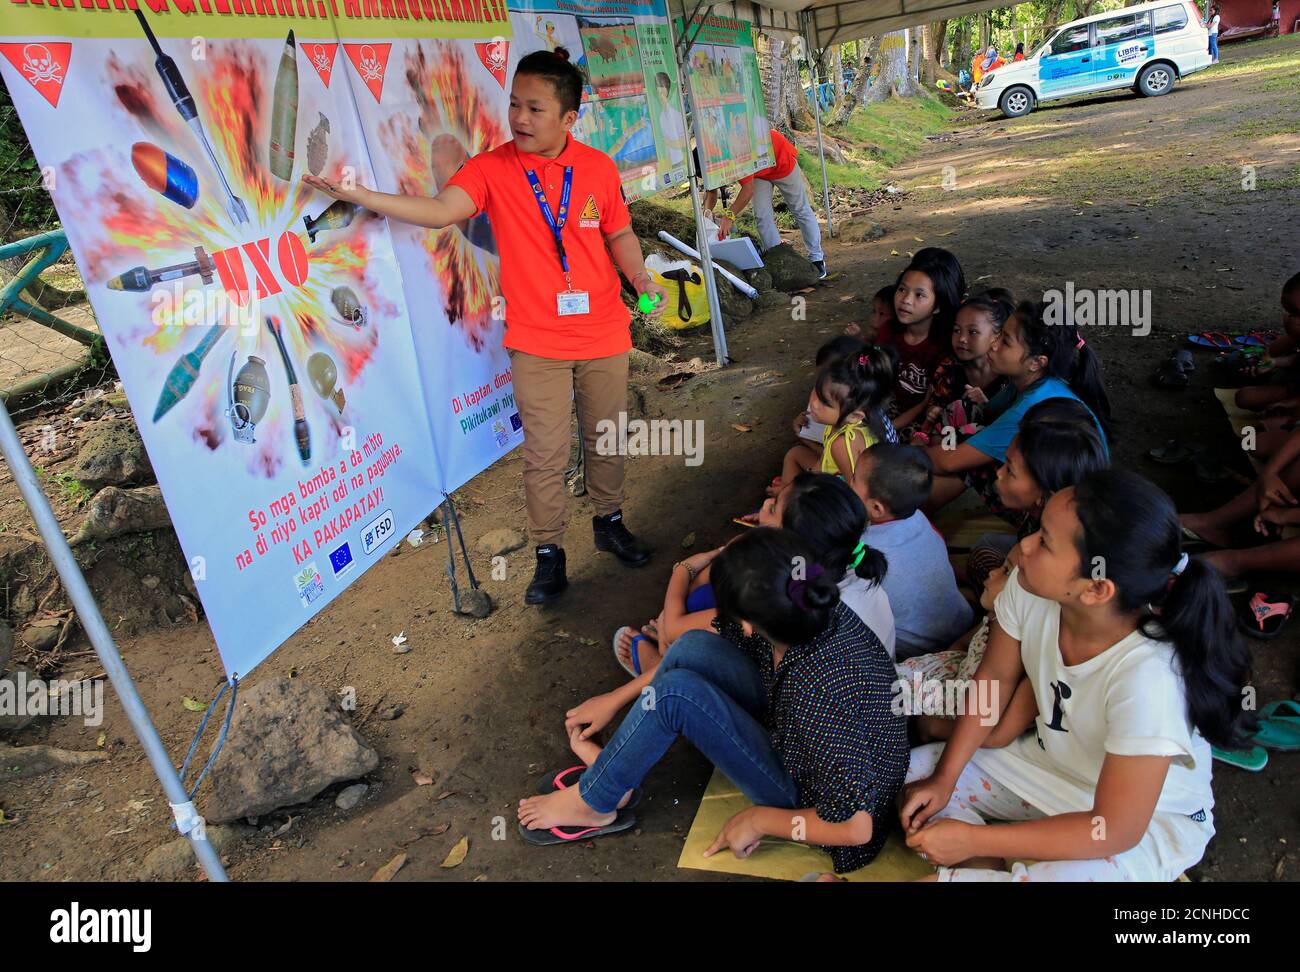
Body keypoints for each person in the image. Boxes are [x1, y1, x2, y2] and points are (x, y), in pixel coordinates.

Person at [303, 48, 667, 605]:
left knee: (606, 436)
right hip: (536, 342)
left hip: (605, 332)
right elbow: (440, 209)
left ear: (569, 119)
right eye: (515, 104)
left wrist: (641, 279)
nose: (519, 118)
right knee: (544, 454)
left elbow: (618, 233)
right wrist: (358, 196)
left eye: (535, 108)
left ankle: (609, 520)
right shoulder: (492, 169)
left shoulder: (597, 168)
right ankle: (549, 555)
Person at [900, 470, 1255, 881]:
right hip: (1050, 771)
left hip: (1147, 819)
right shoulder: (1028, 588)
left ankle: (975, 860)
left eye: (1045, 542)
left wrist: (974, 840)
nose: (1025, 546)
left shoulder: (1150, 679)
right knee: (915, 776)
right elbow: (994, 679)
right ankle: (983, 869)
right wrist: (946, 779)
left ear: (1096, 589)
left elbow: (1116, 830)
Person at [522, 528, 910, 874]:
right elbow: (690, 641)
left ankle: (598, 800)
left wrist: (759, 820)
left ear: (744, 622)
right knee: (693, 646)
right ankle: (613, 780)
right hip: (807, 737)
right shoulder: (809, 605)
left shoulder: (815, 694)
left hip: (817, 803)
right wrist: (615, 698)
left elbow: (857, 828)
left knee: (675, 694)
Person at [923, 300, 1111, 513]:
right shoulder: (1031, 381)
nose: (993, 343)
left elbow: (948, 462)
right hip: (1050, 487)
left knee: (969, 459)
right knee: (963, 411)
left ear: (1036, 362)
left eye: (1005, 341)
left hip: (1061, 512)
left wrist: (916, 452)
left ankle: (916, 506)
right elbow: (987, 412)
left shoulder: (1033, 408)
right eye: (1000, 333)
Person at [965, 397, 1110, 595]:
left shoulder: (1064, 562)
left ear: (1045, 494)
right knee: (987, 542)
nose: (999, 473)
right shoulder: (1062, 507)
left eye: (1010, 470)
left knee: (984, 556)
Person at [850, 444, 973, 659]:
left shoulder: (860, 546)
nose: (847, 482)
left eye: (853, 478)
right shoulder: (918, 517)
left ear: (877, 509)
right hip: (961, 622)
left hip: (916, 652)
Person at [702, 129, 827, 280]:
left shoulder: (734, 154)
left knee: (800, 209)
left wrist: (729, 216)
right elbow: (711, 191)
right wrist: (706, 212)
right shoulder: (709, 161)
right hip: (759, 172)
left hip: (781, 162)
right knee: (762, 216)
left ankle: (817, 258)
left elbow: (747, 190)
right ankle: (778, 259)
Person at [775, 344, 894, 492]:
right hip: (834, 477)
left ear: (855, 416)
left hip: (839, 497)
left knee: (794, 478)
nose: (814, 404)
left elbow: (856, 494)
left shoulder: (843, 443)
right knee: (796, 453)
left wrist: (799, 490)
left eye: (825, 403)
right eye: (816, 393)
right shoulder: (853, 421)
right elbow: (826, 459)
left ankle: (783, 502)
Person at [901, 289, 1013, 444]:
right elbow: (935, 404)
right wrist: (934, 412)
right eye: (956, 330)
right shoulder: (948, 368)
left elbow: (1009, 426)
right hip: (945, 442)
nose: (962, 338)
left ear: (997, 336)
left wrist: (986, 407)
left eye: (973, 332)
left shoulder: (1008, 378)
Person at [878, 248, 965, 417]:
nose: (906, 300)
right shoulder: (888, 331)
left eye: (919, 295)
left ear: (938, 306)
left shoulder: (945, 348)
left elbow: (932, 405)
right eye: (902, 289)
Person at [653, 72, 687, 170]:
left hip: (679, 163)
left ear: (668, 92)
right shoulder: (660, 116)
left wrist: (668, 142)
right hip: (666, 164)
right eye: (659, 93)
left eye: (663, 93)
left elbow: (684, 142)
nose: (661, 96)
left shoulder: (676, 115)